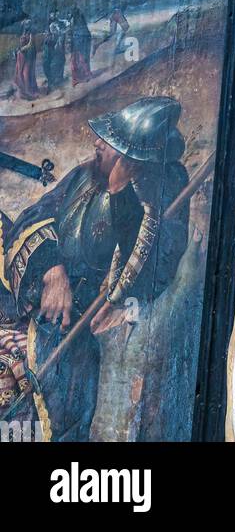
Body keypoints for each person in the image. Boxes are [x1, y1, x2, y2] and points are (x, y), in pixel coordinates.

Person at [0, 97, 190, 441]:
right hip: (35, 305)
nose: (97, 143)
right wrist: (51, 270)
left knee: (51, 415)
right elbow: (36, 215)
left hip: (74, 330)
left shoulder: (157, 191)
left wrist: (119, 191)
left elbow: (147, 266)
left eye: (109, 141)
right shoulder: (85, 176)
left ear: (130, 160)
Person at [67, 7, 93, 85]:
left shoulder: (79, 22)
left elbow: (85, 35)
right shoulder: (74, 23)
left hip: (79, 45)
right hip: (76, 45)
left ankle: (83, 77)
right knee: (76, 62)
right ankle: (78, 78)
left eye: (70, 15)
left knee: (81, 61)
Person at [13, 17, 37, 99]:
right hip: (22, 55)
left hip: (29, 55)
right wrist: (18, 50)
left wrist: (21, 49)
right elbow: (20, 44)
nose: (27, 25)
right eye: (25, 24)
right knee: (20, 72)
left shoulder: (31, 33)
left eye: (28, 24)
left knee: (26, 73)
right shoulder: (22, 33)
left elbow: (30, 44)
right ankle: (23, 92)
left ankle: (28, 91)